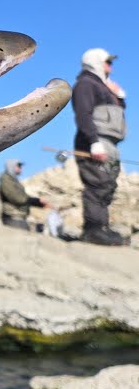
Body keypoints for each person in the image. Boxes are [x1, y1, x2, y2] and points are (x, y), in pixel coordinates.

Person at [72, 47, 127, 246]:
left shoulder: (105, 86)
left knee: (108, 185)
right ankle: (92, 230)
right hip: (95, 141)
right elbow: (83, 115)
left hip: (110, 143)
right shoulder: (85, 84)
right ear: (95, 62)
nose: (109, 66)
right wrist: (94, 142)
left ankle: (101, 227)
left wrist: (120, 96)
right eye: (107, 61)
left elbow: (116, 112)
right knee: (97, 184)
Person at [0, 159, 52, 232]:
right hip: (13, 217)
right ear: (11, 166)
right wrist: (37, 201)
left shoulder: (12, 180)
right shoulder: (6, 180)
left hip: (19, 217)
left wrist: (39, 203)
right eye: (19, 165)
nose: (21, 168)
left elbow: (22, 197)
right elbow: (18, 198)